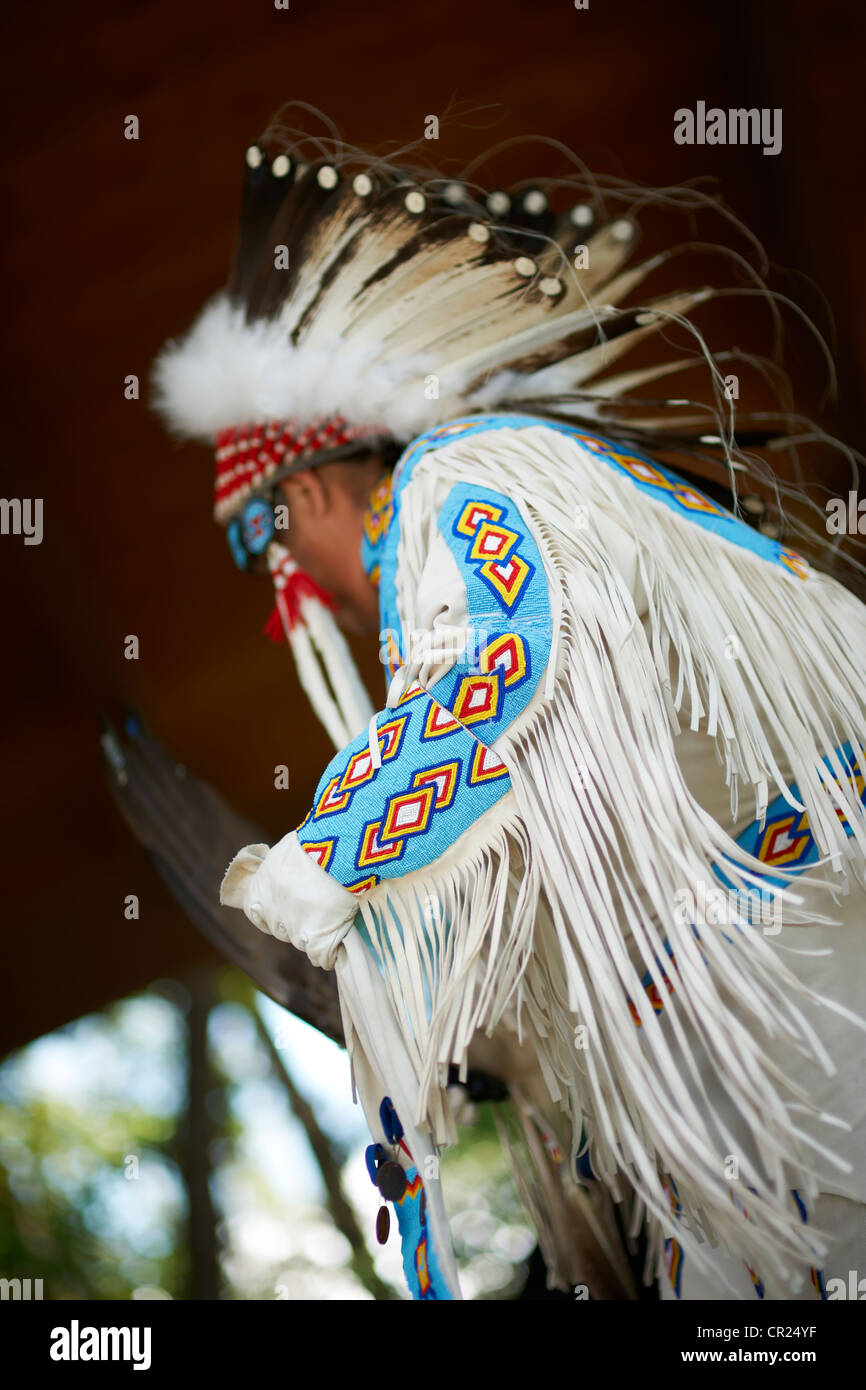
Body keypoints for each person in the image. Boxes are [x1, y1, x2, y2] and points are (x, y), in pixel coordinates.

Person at [153, 122, 866, 1301]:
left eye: (261, 540)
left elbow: (515, 670)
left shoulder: (465, 472)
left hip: (804, 1005)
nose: (297, 596)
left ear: (315, 485)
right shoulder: (488, 491)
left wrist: (331, 860)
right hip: (767, 1024)